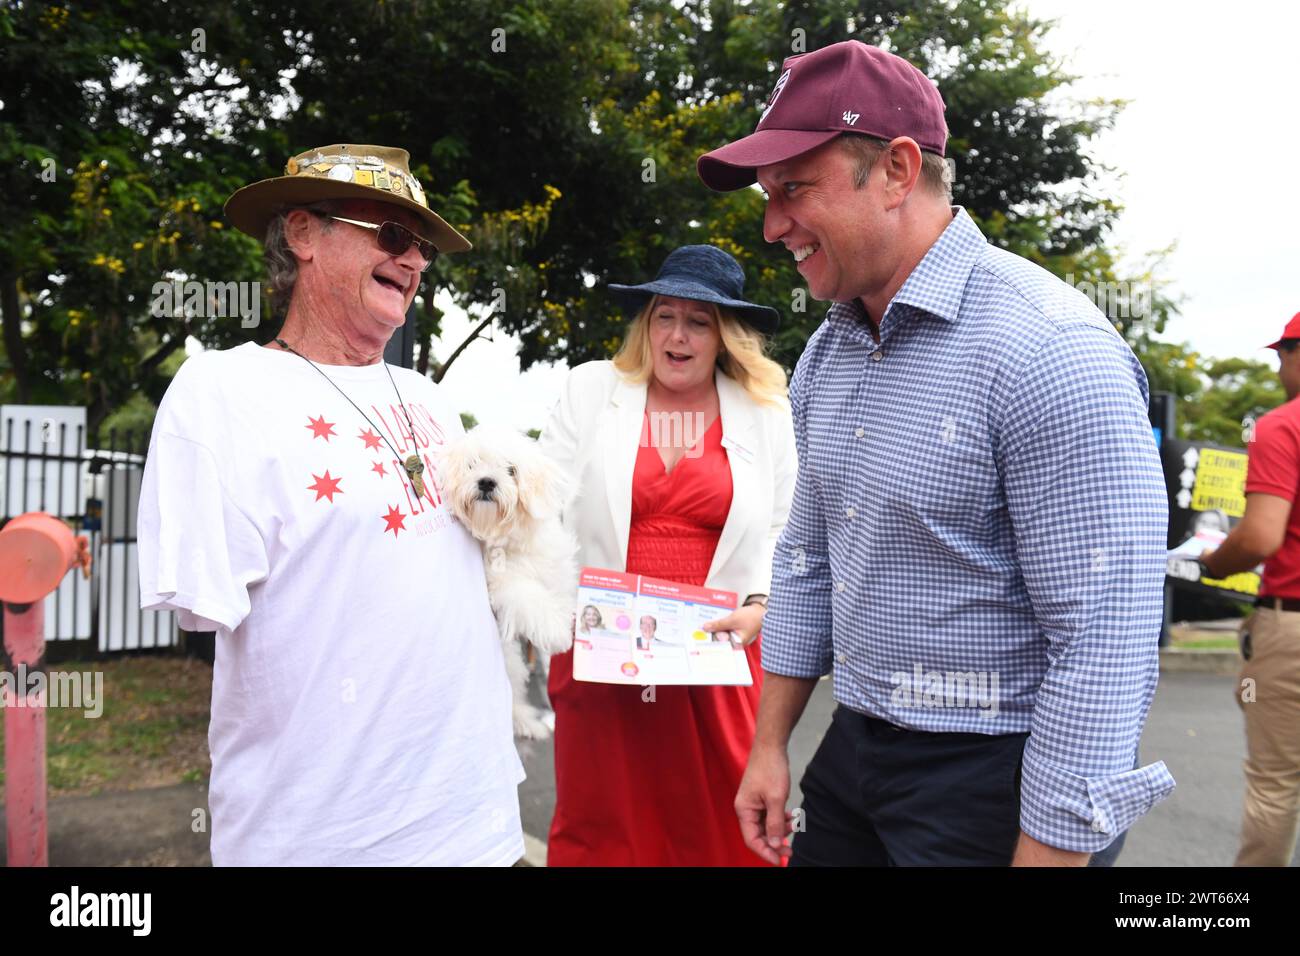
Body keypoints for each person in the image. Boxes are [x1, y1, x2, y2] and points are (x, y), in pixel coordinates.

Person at [697, 40, 1175, 866]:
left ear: (896, 169)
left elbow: (1104, 644)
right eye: (769, 197)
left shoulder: (1052, 352)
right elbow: (809, 557)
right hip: (857, 749)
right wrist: (769, 744)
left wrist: (1051, 851)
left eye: (794, 189)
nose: (773, 226)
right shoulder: (831, 352)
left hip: (996, 776)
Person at [137, 144, 525, 865]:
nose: (413, 262)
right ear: (304, 235)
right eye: (393, 236)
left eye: (422, 249)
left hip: (476, 821)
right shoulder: (220, 392)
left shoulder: (430, 400)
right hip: (321, 838)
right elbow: (203, 613)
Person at [540, 244, 797, 866]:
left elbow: (788, 532)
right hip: (602, 648)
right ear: (645, 324)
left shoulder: (766, 412)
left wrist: (764, 603)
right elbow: (541, 508)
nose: (677, 336)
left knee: (724, 829)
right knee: (604, 828)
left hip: (722, 648)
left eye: (699, 321)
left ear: (726, 337)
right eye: (664, 316)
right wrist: (545, 609)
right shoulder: (589, 389)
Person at [1200, 311, 1300, 866]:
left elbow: (1261, 537)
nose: (1279, 367)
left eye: (1281, 355)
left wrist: (1215, 562)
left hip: (1291, 626)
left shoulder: (1282, 425)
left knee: (1275, 782)